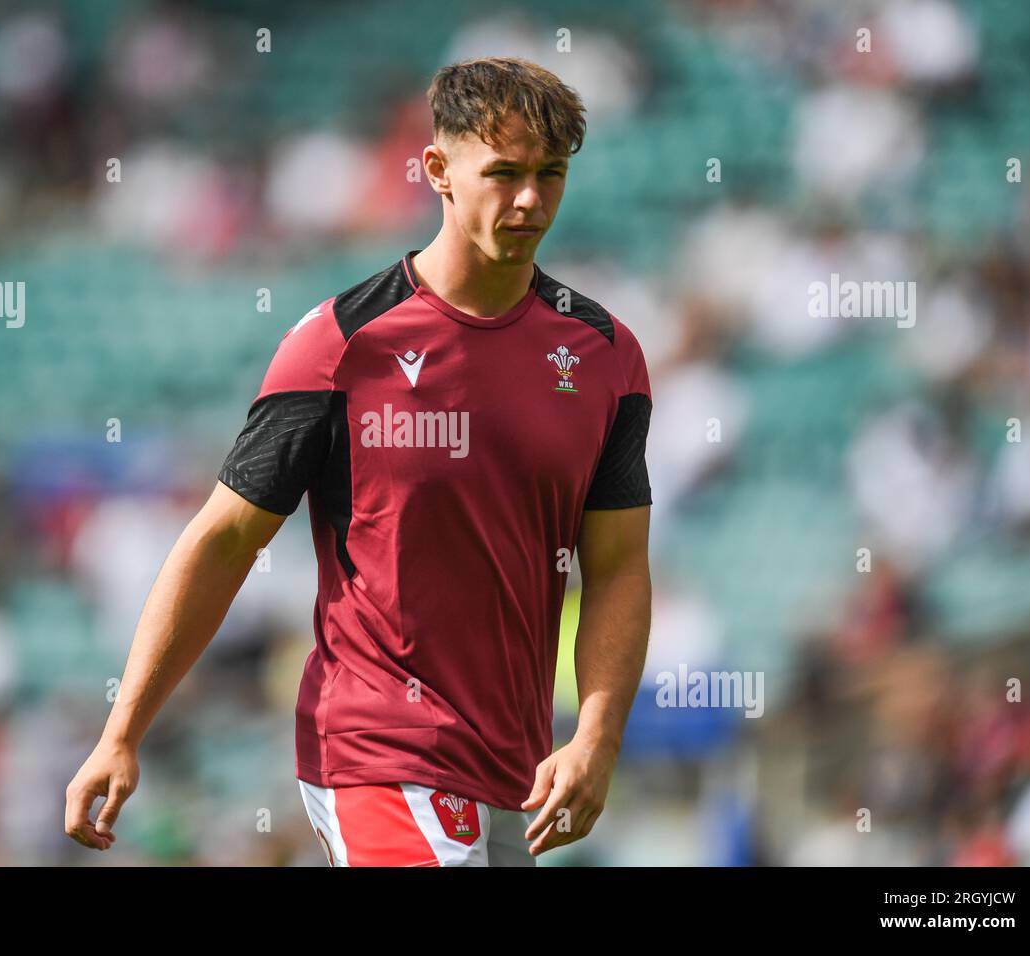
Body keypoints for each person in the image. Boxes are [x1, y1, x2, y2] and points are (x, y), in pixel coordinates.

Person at [65, 55, 654, 867]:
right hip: (376, 746)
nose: (530, 200)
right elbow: (224, 539)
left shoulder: (605, 356)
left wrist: (596, 736)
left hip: (520, 769)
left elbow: (619, 565)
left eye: (551, 174)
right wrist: (121, 732)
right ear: (438, 170)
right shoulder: (339, 346)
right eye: (505, 173)